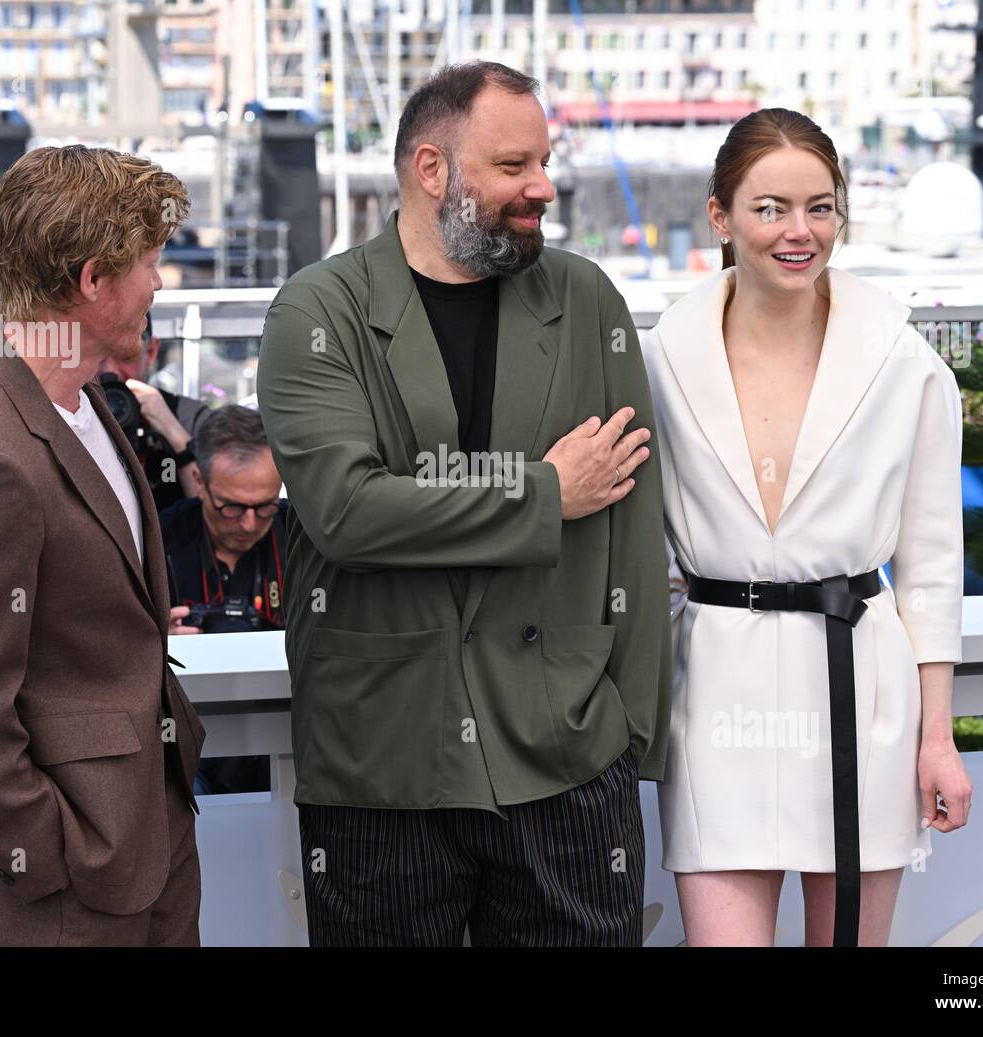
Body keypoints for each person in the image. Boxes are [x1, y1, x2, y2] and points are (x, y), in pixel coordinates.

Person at [257, 60, 671, 947]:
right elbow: (345, 512)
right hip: (385, 762)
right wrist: (543, 494)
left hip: (567, 756)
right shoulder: (315, 311)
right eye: (515, 165)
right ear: (432, 169)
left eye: (545, 162)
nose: (543, 188)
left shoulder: (586, 297)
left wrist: (628, 731)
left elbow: (636, 527)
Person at [644, 108, 972, 947]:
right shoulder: (660, 358)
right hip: (716, 690)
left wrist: (939, 741)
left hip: (860, 691)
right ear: (720, 216)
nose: (800, 231)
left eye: (820, 207)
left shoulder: (904, 362)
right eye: (771, 208)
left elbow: (931, 569)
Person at [0, 144, 207, 946]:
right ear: (92, 279)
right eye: (148, 263)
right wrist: (47, 858)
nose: (157, 284)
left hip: (147, 827)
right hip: (73, 878)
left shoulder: (76, 397)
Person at [161, 403, 286, 633]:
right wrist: (153, 641)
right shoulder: (155, 544)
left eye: (265, 506)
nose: (249, 525)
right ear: (198, 481)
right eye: (232, 508)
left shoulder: (307, 540)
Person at [97, 312, 212, 513]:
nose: (109, 371)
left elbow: (218, 514)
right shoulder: (72, 417)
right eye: (96, 355)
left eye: (125, 356)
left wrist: (175, 435)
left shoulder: (188, 418)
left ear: (151, 352)